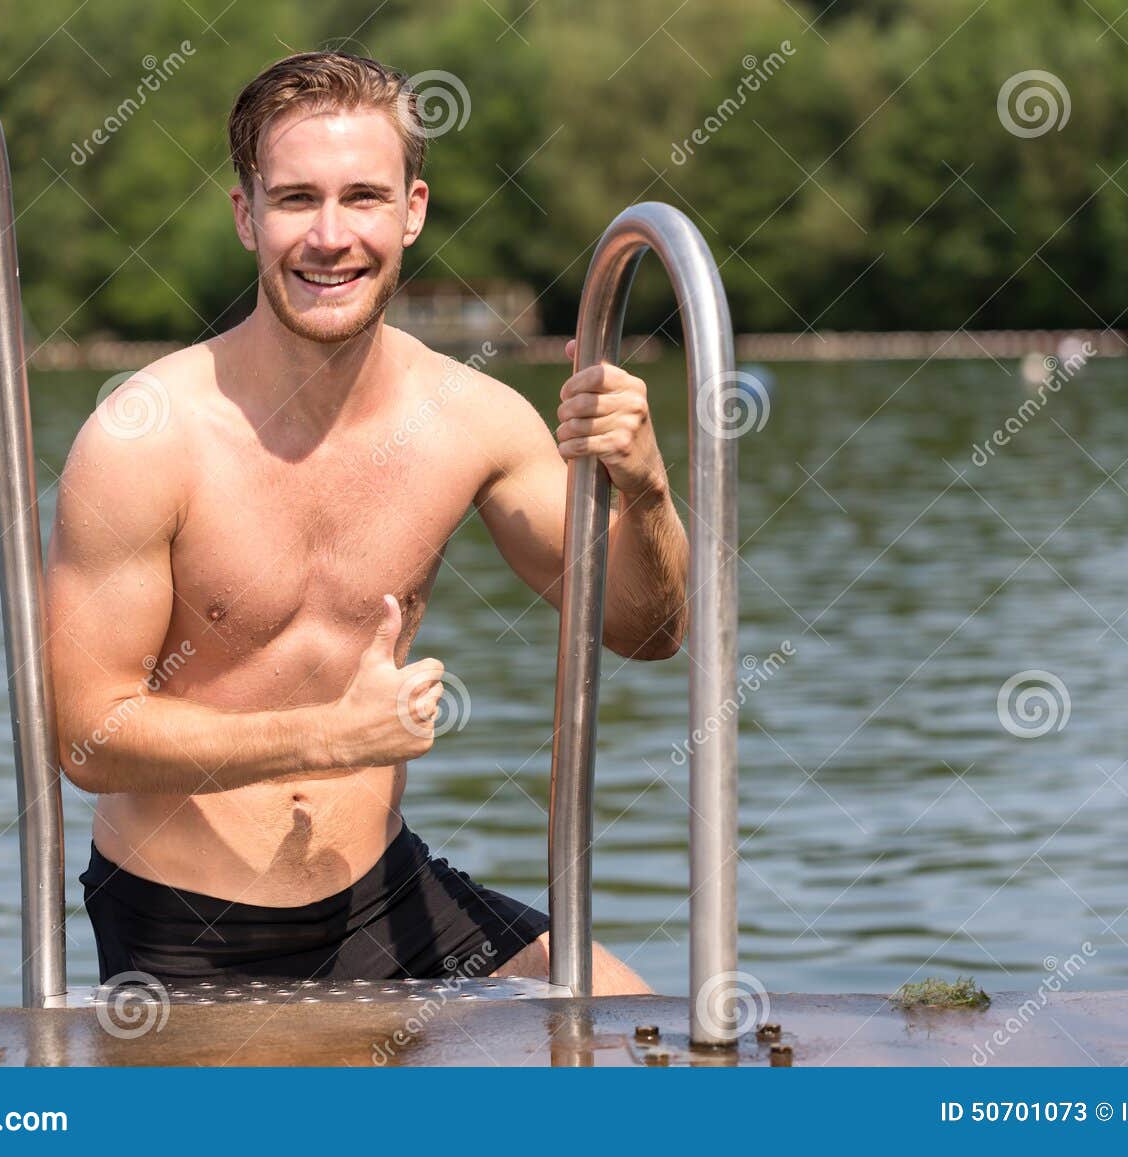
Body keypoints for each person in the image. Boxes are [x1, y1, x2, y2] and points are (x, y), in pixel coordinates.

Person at [47, 50, 689, 995]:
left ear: (413, 210)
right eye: (297, 199)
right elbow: (88, 738)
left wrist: (647, 489)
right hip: (189, 927)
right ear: (246, 216)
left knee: (632, 1026)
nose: (331, 236)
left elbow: (646, 630)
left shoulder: (473, 418)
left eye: (363, 198)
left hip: (388, 895)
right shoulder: (147, 436)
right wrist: (329, 739)